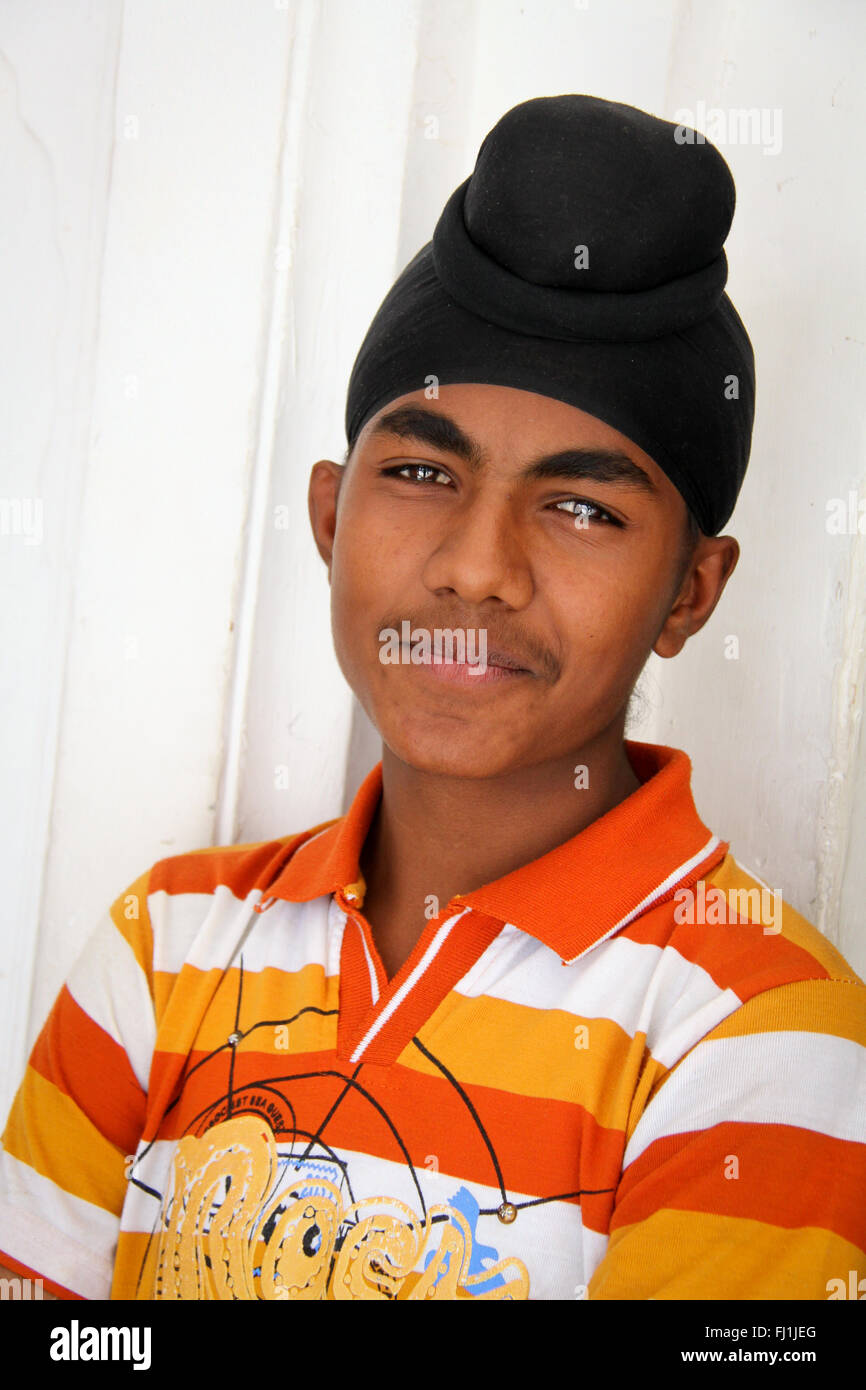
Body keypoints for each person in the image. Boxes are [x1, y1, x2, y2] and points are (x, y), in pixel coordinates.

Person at [1, 94, 864, 1302]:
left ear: (688, 593)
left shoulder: (762, 1035)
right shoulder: (165, 947)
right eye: (418, 469)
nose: (475, 566)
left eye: (581, 507)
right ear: (328, 515)